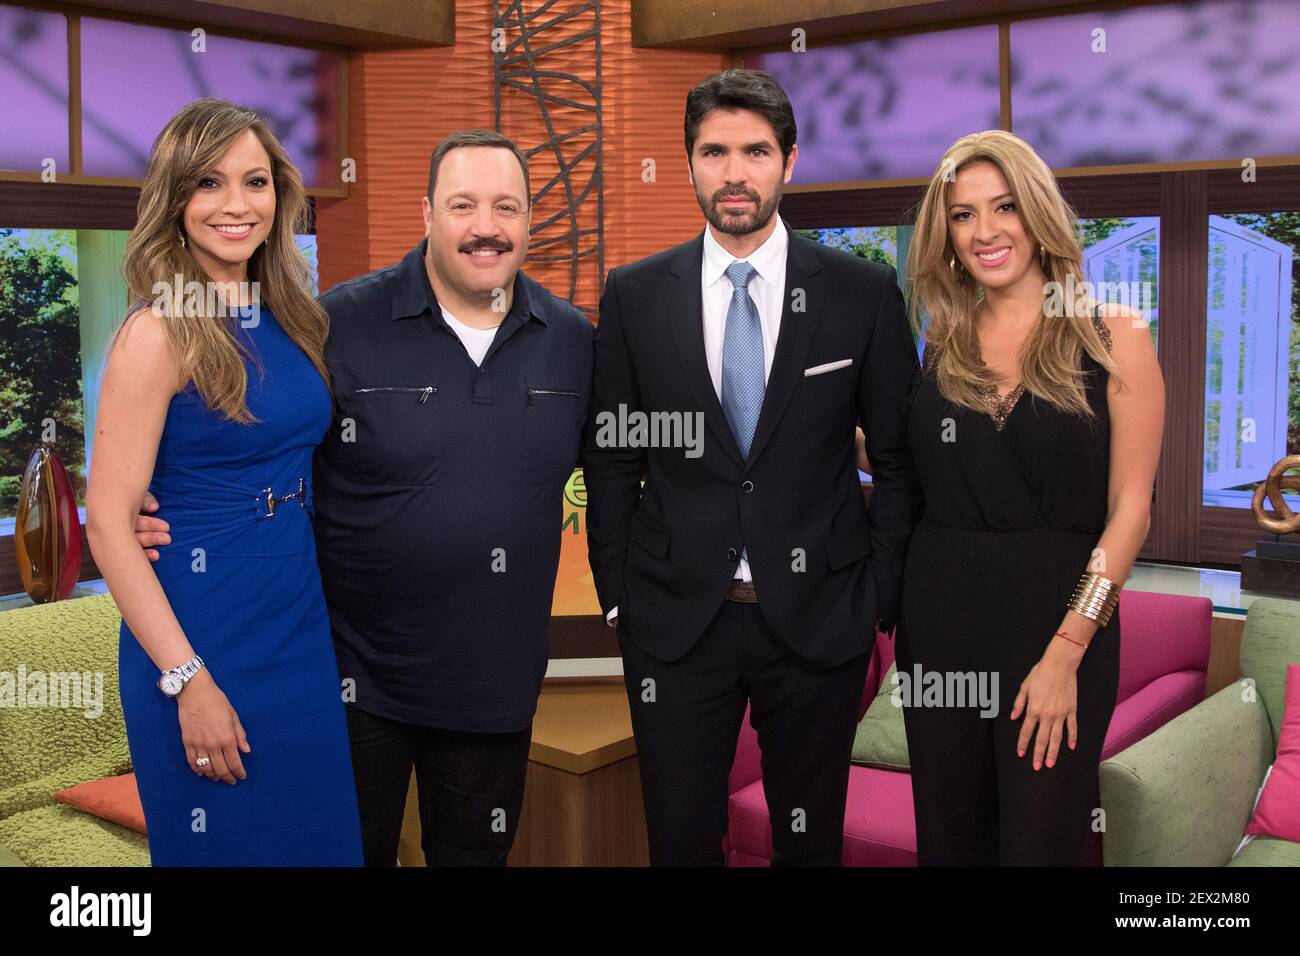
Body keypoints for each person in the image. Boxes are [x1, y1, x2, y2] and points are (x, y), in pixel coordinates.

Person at [133, 129, 592, 866]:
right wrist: (159, 509)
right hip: (344, 679)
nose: (485, 227)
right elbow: (256, 439)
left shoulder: (573, 340)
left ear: (530, 219)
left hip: (494, 682)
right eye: (462, 204)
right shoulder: (331, 323)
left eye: (506, 207)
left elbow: (627, 470)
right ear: (427, 213)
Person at [582, 69, 923, 865]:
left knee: (809, 844)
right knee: (681, 841)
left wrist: (875, 591)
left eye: (756, 152)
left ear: (790, 162)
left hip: (820, 618)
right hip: (672, 622)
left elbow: (902, 460)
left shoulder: (860, 293)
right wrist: (618, 597)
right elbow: (610, 453)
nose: (735, 173)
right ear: (690, 164)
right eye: (714, 152)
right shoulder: (634, 296)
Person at [86, 98, 363, 865]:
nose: (237, 205)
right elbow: (109, 524)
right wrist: (188, 683)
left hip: (297, 625)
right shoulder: (158, 331)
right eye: (208, 184)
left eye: (255, 182)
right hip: (202, 632)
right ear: (174, 201)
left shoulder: (290, 313)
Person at [898, 129, 1164, 865]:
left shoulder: (1116, 333)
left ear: (1039, 213)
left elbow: (1131, 513)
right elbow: (916, 468)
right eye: (962, 215)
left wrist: (1067, 652)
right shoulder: (939, 343)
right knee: (951, 842)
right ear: (946, 235)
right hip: (941, 623)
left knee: (1042, 842)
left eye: (1004, 206)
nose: (985, 231)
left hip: (1059, 627)